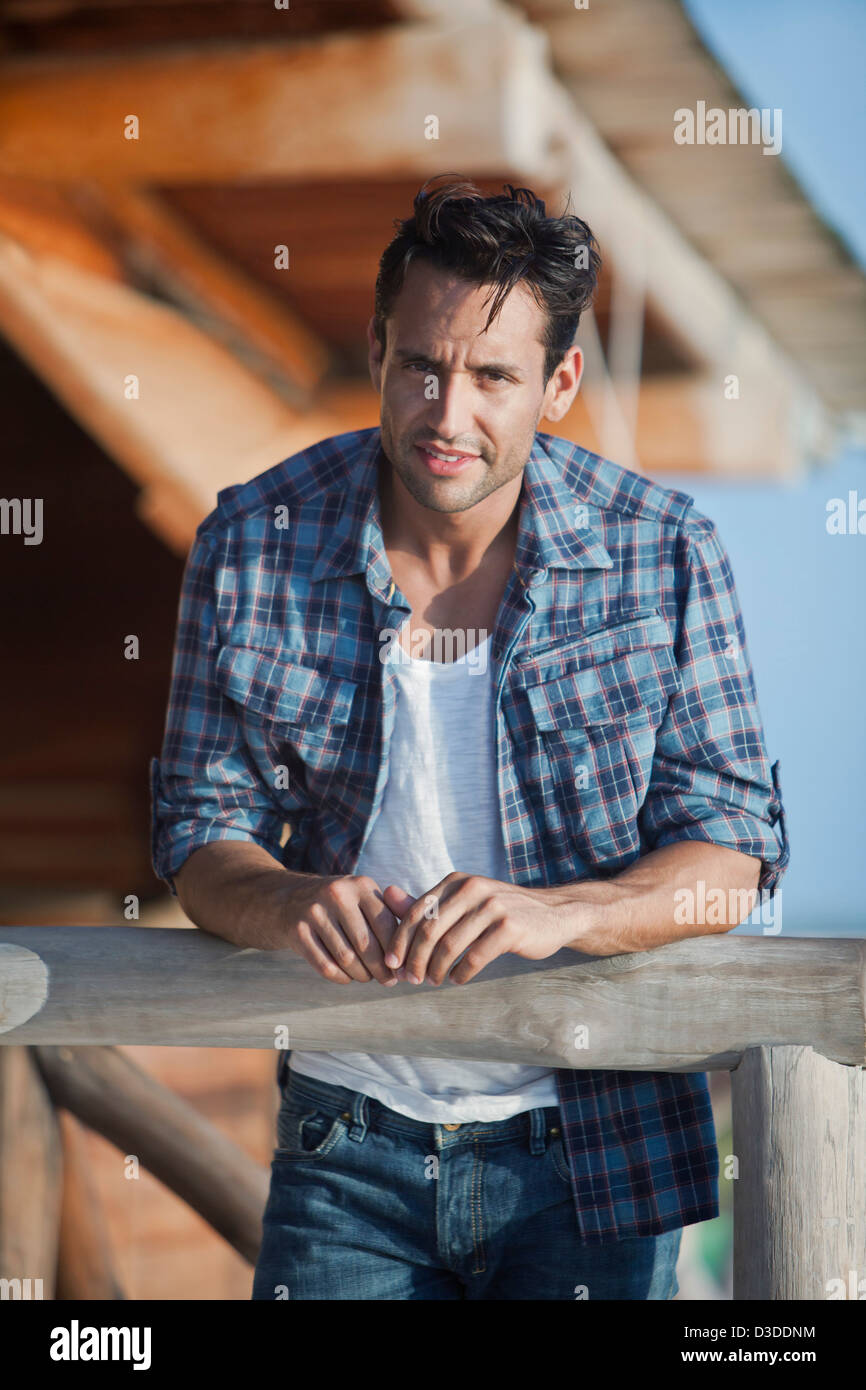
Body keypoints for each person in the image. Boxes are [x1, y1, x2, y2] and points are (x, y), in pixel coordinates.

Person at [150, 175, 789, 1300]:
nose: (449, 416)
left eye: (493, 376)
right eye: (422, 366)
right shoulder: (253, 539)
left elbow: (729, 851)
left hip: (593, 1148)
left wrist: (558, 912)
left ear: (556, 384)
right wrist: (286, 896)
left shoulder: (665, 552)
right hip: (344, 1147)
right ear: (377, 348)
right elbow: (201, 829)